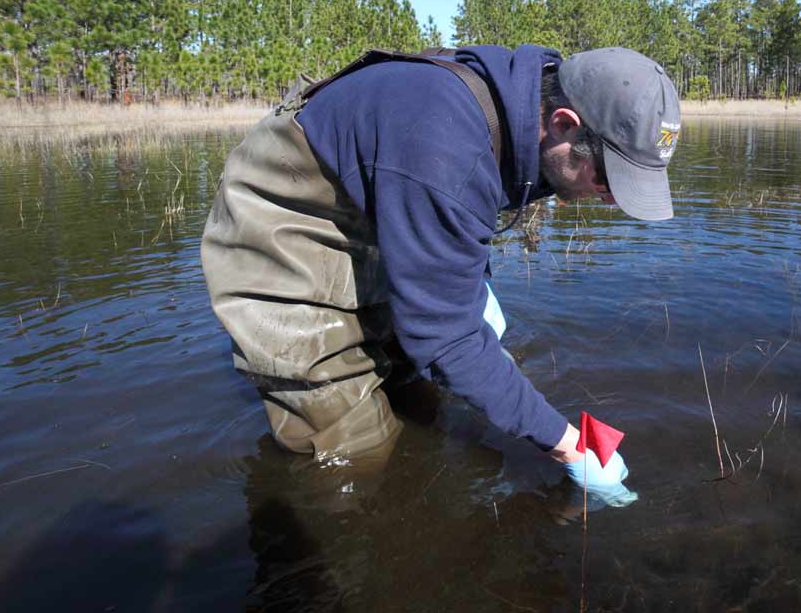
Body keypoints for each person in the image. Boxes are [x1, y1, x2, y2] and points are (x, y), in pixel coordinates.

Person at [200, 45, 681, 504]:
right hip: (289, 210)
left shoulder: (535, 110)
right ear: (563, 124)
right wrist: (568, 445)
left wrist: (475, 290)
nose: (614, 199)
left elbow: (461, 214)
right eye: (609, 178)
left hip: (382, 193)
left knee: (416, 384)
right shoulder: (446, 145)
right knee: (352, 450)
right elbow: (445, 338)